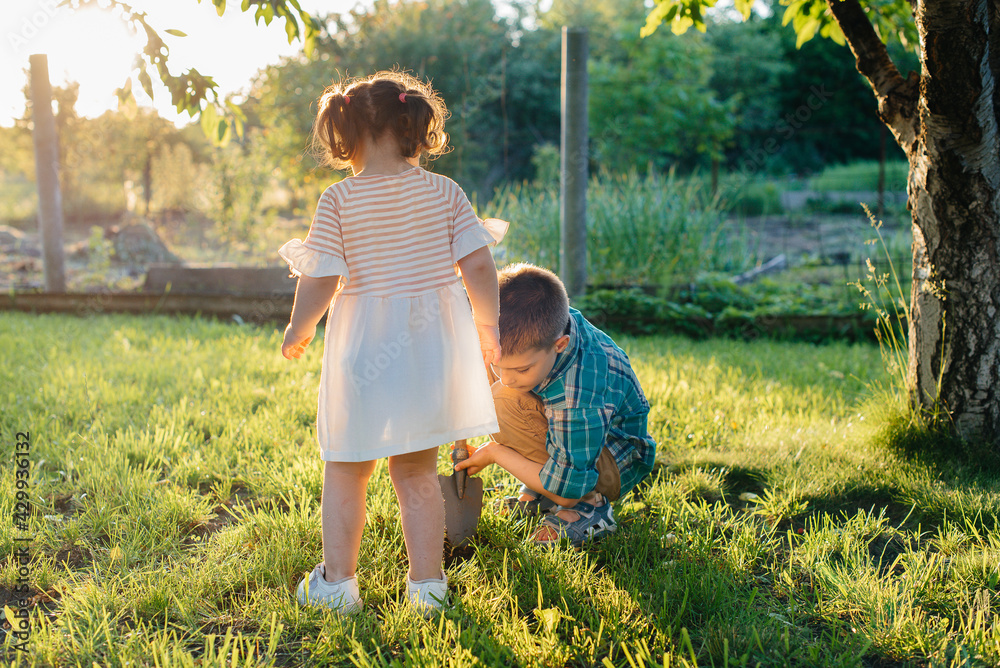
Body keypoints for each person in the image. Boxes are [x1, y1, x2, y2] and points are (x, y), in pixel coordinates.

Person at [278, 71, 503, 615]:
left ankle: (337, 585)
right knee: (416, 470)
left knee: (348, 465)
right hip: (430, 351)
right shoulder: (445, 191)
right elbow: (477, 262)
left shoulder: (339, 201)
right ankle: (428, 588)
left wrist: (300, 326)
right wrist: (488, 325)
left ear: (346, 133)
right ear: (412, 130)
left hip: (366, 353)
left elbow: (321, 280)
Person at [455, 263, 656, 546]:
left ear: (559, 345)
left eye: (521, 369)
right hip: (576, 436)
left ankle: (589, 507)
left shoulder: (579, 392)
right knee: (499, 388)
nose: (507, 378)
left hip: (613, 460)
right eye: (501, 367)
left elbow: (568, 490)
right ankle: (541, 487)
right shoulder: (543, 327)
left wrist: (495, 453)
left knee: (503, 400)